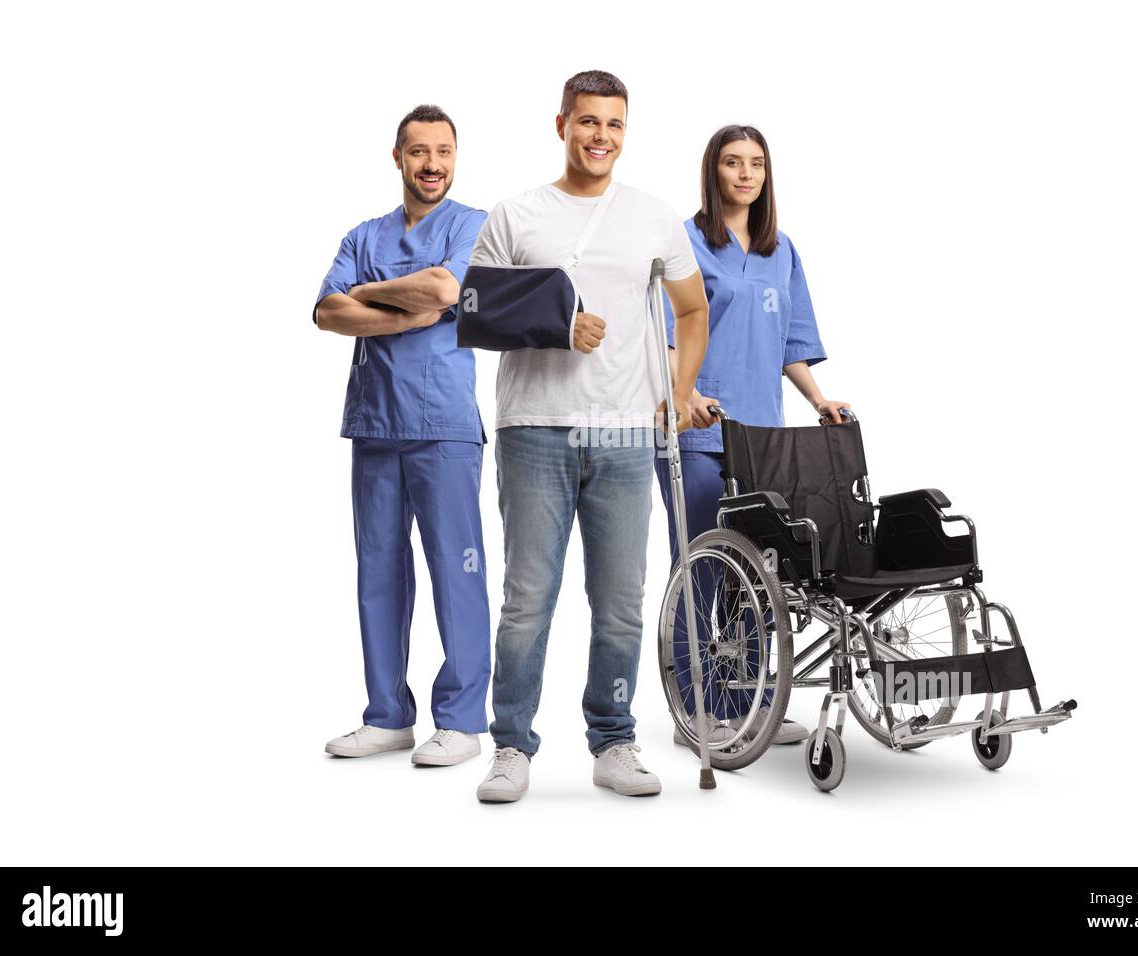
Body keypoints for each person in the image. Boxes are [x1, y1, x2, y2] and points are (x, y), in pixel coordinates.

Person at [468, 70, 710, 802]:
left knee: (620, 602)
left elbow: (692, 312)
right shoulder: (517, 215)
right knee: (527, 599)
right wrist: (556, 325)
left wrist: (674, 394)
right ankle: (511, 745)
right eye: (588, 122)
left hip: (627, 434)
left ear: (624, 131)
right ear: (561, 124)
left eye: (614, 124)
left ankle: (613, 740)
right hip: (534, 428)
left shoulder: (652, 218)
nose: (600, 137)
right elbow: (475, 315)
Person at [655, 125, 851, 747]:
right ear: (713, 172)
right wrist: (686, 395)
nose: (745, 174)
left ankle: (746, 697)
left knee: (760, 575)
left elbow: (792, 343)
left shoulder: (780, 249)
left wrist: (819, 400)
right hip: (701, 434)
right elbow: (662, 331)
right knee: (706, 567)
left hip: (764, 438)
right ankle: (697, 709)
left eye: (756, 164)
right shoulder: (684, 242)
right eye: (733, 163)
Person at [313, 105, 491, 768]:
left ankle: (463, 718)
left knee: (457, 568)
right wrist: (402, 311)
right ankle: (387, 716)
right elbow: (328, 311)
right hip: (376, 423)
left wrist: (372, 299)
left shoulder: (473, 225)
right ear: (398, 159)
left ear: (455, 156)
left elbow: (446, 288)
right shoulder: (364, 233)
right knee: (379, 571)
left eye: (443, 151)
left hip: (443, 422)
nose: (432, 164)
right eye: (419, 152)